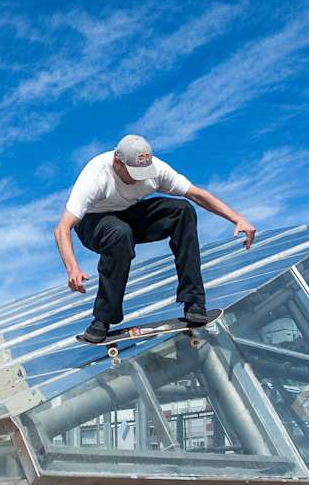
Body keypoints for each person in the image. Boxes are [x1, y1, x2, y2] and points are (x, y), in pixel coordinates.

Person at [53, 134, 257, 343]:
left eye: (142, 172)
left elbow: (196, 194)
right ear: (117, 161)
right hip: (93, 223)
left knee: (182, 211)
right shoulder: (95, 175)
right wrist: (72, 268)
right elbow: (62, 228)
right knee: (119, 233)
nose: (138, 179)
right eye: (133, 173)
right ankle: (102, 319)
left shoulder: (157, 169)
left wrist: (237, 219)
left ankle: (193, 301)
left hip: (129, 215)